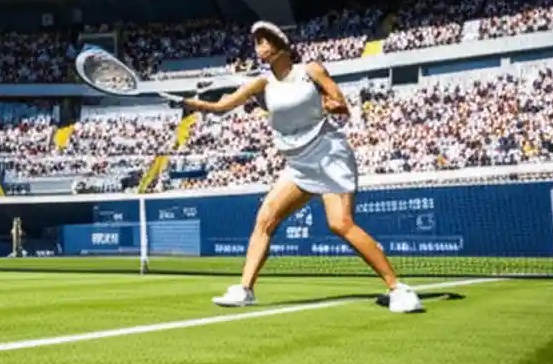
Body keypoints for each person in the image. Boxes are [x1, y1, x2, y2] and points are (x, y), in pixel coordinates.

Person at [181, 21, 422, 313]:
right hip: (298, 165)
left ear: (280, 44)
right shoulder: (262, 82)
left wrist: (319, 106)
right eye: (256, 43)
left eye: (264, 41)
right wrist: (191, 103)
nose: (259, 48)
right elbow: (222, 106)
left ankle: (399, 289)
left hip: (328, 154)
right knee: (265, 219)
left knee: (340, 224)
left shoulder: (310, 71)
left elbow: (340, 104)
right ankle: (244, 290)